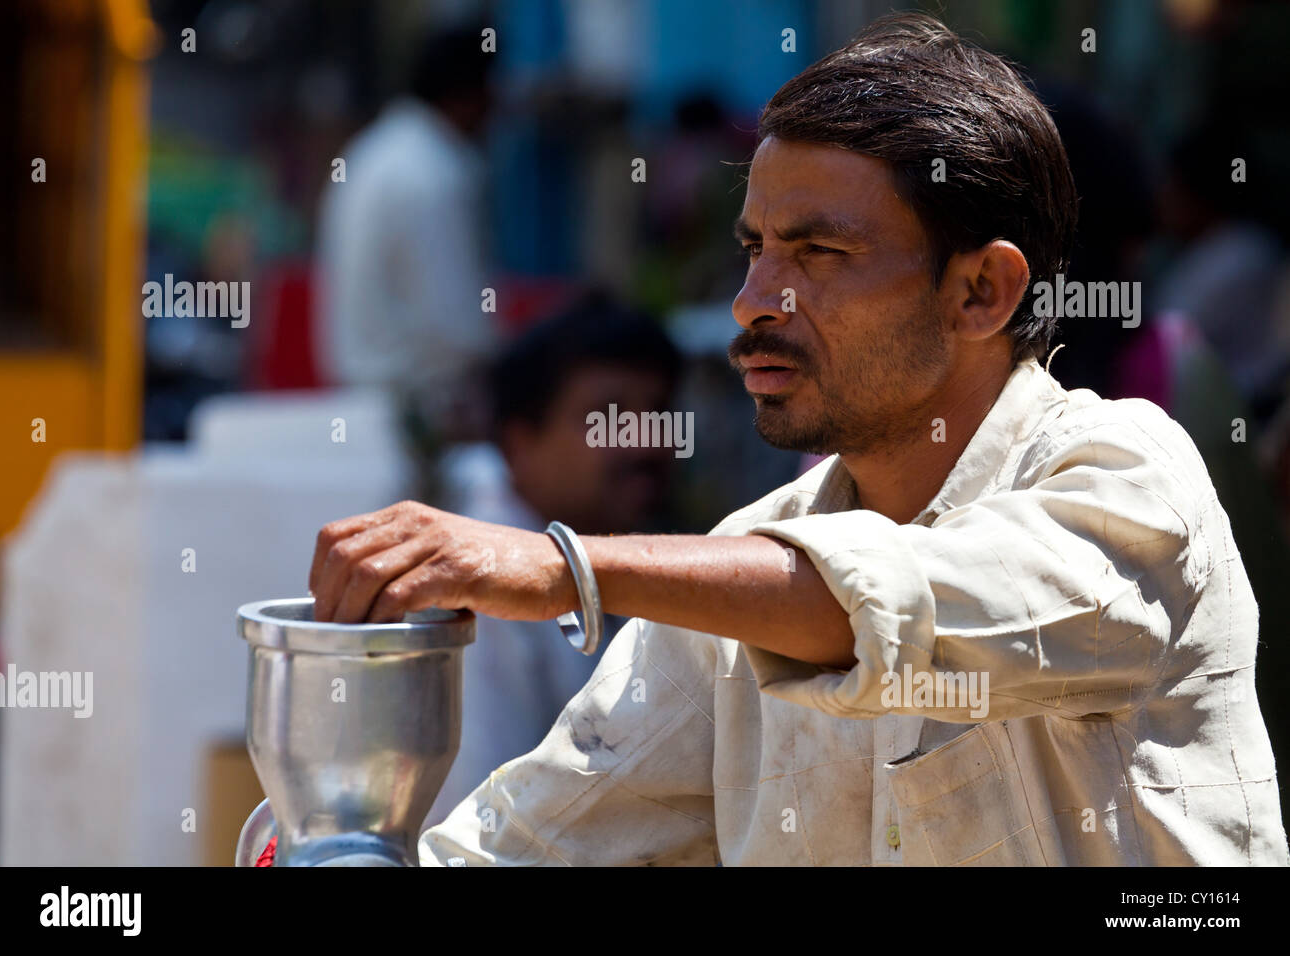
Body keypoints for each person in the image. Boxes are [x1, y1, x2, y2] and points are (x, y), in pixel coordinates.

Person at [307, 13, 1289, 865]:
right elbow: (533, 837)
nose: (752, 304)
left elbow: (903, 601)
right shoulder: (744, 574)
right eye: (754, 251)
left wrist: (562, 566)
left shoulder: (1130, 475)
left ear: (979, 290)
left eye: (819, 253)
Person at [423, 292, 682, 827]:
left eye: (657, 413)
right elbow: (477, 821)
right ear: (520, 443)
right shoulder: (483, 590)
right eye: (605, 419)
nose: (642, 442)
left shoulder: (613, 558)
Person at [313, 19, 497, 481]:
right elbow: (455, 327)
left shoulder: (375, 151)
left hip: (361, 409)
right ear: (470, 94)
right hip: (416, 420)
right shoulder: (432, 171)